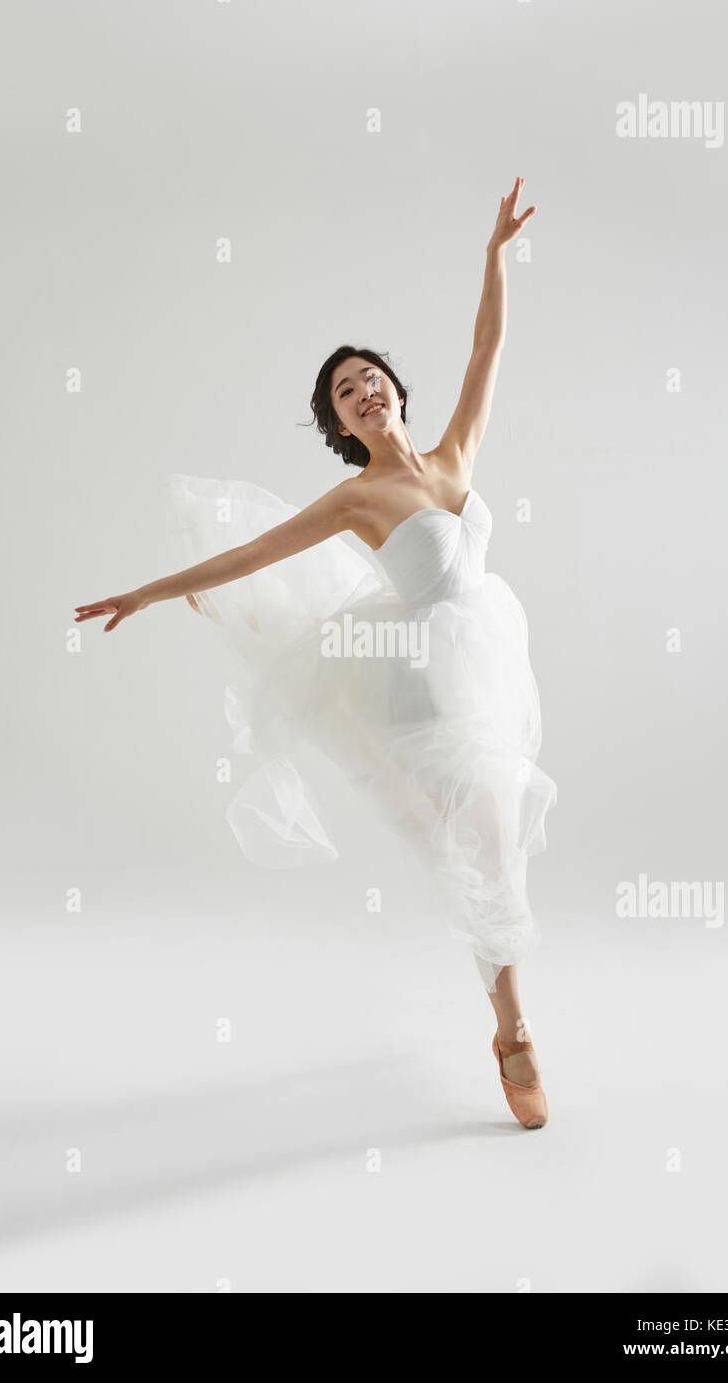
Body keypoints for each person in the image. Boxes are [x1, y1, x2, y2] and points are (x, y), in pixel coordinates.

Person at [75, 177, 556, 1129]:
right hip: (420, 687)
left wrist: (494, 255)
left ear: (395, 391)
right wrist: (147, 593)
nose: (363, 390)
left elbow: (489, 347)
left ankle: (505, 1025)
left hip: (490, 670)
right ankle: (516, 1032)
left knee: (491, 846)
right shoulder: (354, 502)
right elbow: (253, 553)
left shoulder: (456, 454)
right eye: (344, 391)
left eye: (370, 376)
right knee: (477, 845)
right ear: (339, 426)